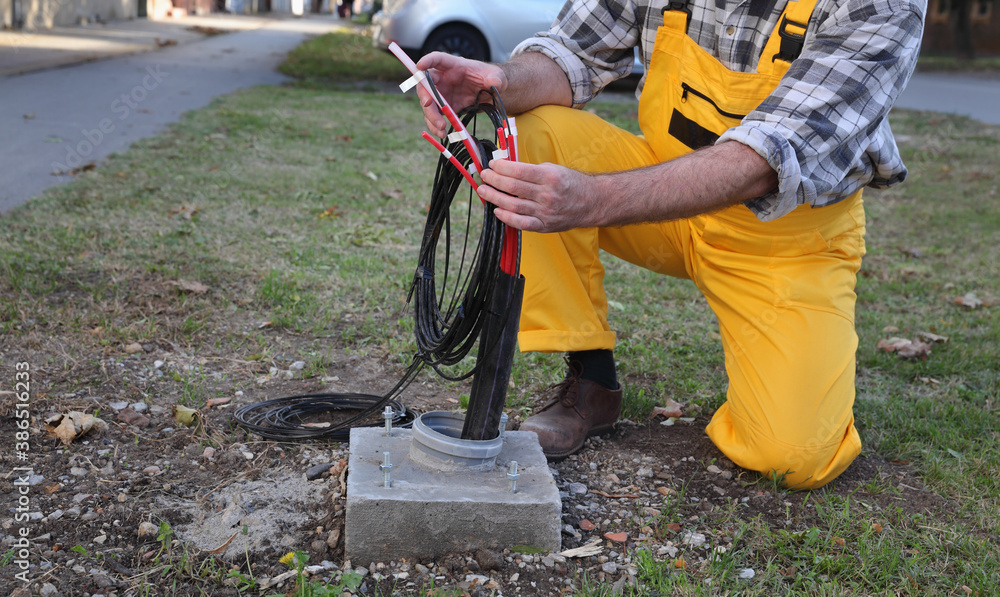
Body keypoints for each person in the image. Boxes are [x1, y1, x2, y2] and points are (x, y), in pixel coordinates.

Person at [414, 0, 925, 489]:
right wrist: (498, 82)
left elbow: (771, 154)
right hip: (661, 198)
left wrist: (592, 199)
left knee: (792, 457)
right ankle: (591, 380)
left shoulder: (880, 4)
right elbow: (572, 51)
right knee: (529, 135)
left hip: (787, 236)